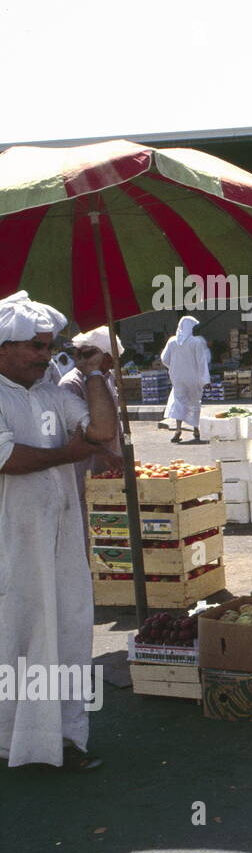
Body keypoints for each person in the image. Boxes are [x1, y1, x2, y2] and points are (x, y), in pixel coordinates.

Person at [0, 291, 119, 771]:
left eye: (50, 347)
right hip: (12, 543)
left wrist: (93, 373)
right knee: (17, 635)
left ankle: (61, 735)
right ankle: (13, 739)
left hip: (62, 539)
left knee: (67, 630)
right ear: (4, 345)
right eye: (35, 346)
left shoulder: (52, 393)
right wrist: (68, 455)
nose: (45, 356)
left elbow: (101, 431)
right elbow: (8, 459)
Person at [60, 326, 125, 516]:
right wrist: (105, 452)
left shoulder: (108, 378)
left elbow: (114, 422)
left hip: (109, 467)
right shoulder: (71, 384)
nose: (113, 361)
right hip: (84, 468)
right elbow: (74, 433)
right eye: (109, 357)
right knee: (87, 513)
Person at [160, 316, 210, 443]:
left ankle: (178, 430)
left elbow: (164, 359)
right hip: (193, 378)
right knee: (194, 402)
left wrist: (173, 368)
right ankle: (196, 429)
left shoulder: (172, 341)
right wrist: (206, 381)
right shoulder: (196, 342)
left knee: (179, 402)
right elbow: (201, 362)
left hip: (177, 378)